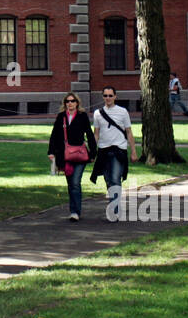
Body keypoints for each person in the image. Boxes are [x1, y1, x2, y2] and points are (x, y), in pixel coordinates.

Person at [46, 92, 98, 221]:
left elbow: (90, 135)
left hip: (80, 154)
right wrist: (51, 152)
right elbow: (54, 135)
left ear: (77, 103)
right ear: (65, 104)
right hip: (65, 155)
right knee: (70, 184)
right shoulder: (61, 117)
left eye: (72, 101)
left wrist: (93, 152)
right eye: (67, 101)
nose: (70, 103)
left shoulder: (82, 116)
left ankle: (76, 212)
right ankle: (73, 210)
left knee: (75, 182)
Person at [91, 86, 137, 217]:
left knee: (116, 178)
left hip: (118, 150)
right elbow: (96, 134)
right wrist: (92, 152)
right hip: (103, 150)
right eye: (105, 96)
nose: (108, 98)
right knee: (108, 180)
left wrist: (133, 151)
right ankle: (114, 204)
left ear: (115, 97)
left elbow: (129, 132)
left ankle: (114, 209)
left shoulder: (123, 112)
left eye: (110, 95)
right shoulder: (98, 113)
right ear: (103, 97)